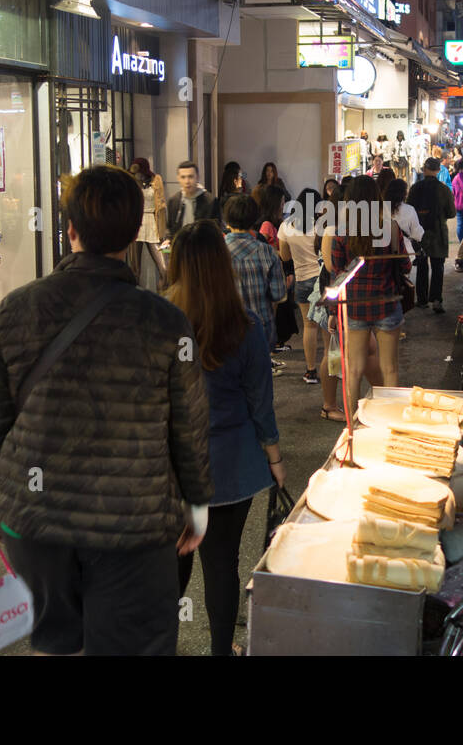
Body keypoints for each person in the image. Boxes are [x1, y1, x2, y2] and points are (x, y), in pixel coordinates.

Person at [0, 165, 212, 656]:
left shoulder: (16, 310)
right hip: (136, 522)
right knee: (136, 645)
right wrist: (197, 504)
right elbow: (188, 426)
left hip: (35, 519)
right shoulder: (165, 322)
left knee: (55, 643)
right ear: (132, 232)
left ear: (71, 230)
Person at [166, 220, 283, 657]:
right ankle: (221, 650)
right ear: (222, 263)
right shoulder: (244, 325)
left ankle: (165, 645)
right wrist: (274, 457)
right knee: (221, 564)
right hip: (230, 464)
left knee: (172, 563)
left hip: (172, 464)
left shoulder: (160, 319)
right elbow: (259, 401)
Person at [330, 175, 408, 414]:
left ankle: (351, 426)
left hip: (355, 305)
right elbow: (405, 266)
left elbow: (338, 275)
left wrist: (334, 311)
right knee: (390, 369)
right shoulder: (391, 228)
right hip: (387, 302)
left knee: (353, 369)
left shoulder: (342, 233)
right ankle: (390, 424)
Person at [223, 194, 287, 356]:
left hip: (225, 327)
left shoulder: (216, 251)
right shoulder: (267, 252)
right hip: (261, 327)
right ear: (254, 219)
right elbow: (278, 294)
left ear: (227, 220)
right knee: (258, 377)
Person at [280, 188, 324, 384]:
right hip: (322, 279)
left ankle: (311, 370)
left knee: (309, 325)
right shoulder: (322, 226)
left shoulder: (286, 226)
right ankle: (333, 369)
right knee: (327, 325)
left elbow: (285, 257)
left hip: (302, 279)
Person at [407, 157, 456, 313]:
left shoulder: (415, 188)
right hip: (438, 232)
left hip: (419, 232)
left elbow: (409, 210)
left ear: (424, 169)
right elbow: (452, 212)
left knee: (421, 265)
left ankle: (421, 300)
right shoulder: (444, 190)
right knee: (438, 267)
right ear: (437, 170)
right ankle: (436, 300)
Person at [126, 157, 167, 291]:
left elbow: (161, 205)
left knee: (164, 270)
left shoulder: (156, 180)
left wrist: (163, 231)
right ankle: (135, 303)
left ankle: (162, 300)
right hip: (136, 224)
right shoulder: (131, 182)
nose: (138, 175)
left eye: (140, 172)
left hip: (152, 223)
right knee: (135, 271)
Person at [166, 160, 219, 234]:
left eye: (190, 177)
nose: (187, 181)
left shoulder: (210, 201)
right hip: (180, 243)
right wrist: (168, 239)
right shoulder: (173, 201)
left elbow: (216, 230)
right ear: (178, 178)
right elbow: (170, 228)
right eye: (183, 177)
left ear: (197, 177)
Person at [385, 178, 423, 256]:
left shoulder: (380, 209)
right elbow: (418, 235)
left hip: (384, 254)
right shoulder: (409, 210)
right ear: (404, 193)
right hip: (405, 253)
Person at [451, 158, 463, 243]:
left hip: (457, 204)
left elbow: (453, 192)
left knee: (460, 224)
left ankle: (461, 241)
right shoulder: (462, 177)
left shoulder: (455, 178)